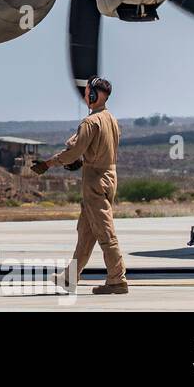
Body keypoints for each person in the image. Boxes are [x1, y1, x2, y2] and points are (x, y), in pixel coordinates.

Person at [33, 77, 127, 295]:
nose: (85, 96)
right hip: (109, 176)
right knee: (86, 231)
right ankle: (69, 278)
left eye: (87, 93)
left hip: (94, 179)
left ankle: (117, 279)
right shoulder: (111, 119)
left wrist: (48, 163)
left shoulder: (90, 122)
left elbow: (74, 151)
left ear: (93, 95)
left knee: (104, 231)